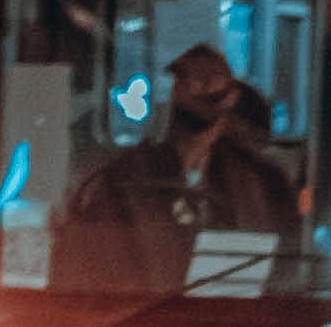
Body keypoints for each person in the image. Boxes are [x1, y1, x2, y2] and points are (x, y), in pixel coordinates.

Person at [51, 43, 299, 291]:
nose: (196, 89)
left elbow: (286, 271)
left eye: (210, 80)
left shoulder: (263, 184)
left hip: (237, 323)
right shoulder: (122, 180)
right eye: (187, 79)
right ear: (173, 91)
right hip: (142, 321)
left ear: (232, 96)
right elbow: (87, 270)